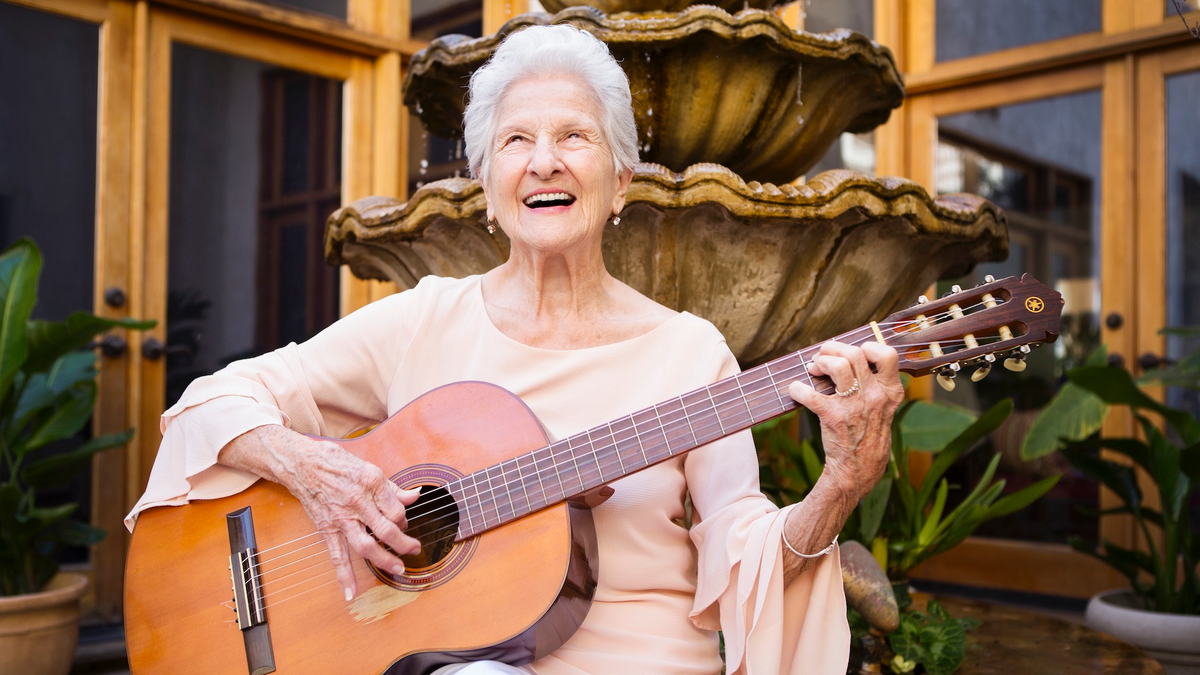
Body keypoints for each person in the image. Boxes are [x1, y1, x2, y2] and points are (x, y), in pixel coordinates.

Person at [127, 24, 904, 675]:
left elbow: (748, 557)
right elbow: (208, 405)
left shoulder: (689, 353)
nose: (543, 161)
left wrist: (841, 484)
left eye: (575, 136)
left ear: (622, 182)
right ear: (488, 188)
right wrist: (314, 469)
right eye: (516, 141)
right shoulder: (422, 321)